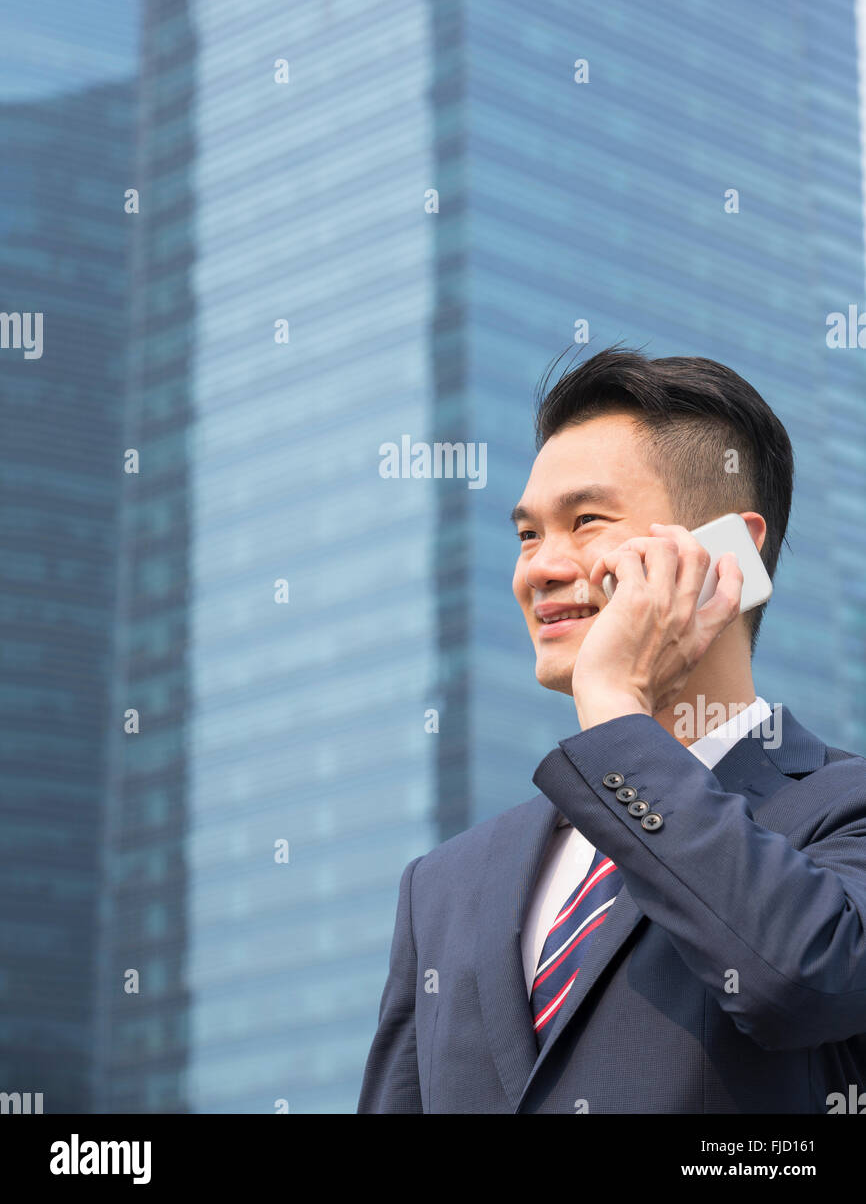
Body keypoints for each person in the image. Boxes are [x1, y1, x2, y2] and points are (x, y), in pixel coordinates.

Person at [357, 345, 866, 1113]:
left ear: (730, 552)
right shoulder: (443, 887)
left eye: (585, 521)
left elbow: (799, 979)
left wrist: (615, 704)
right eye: (529, 535)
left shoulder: (841, 809)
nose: (540, 569)